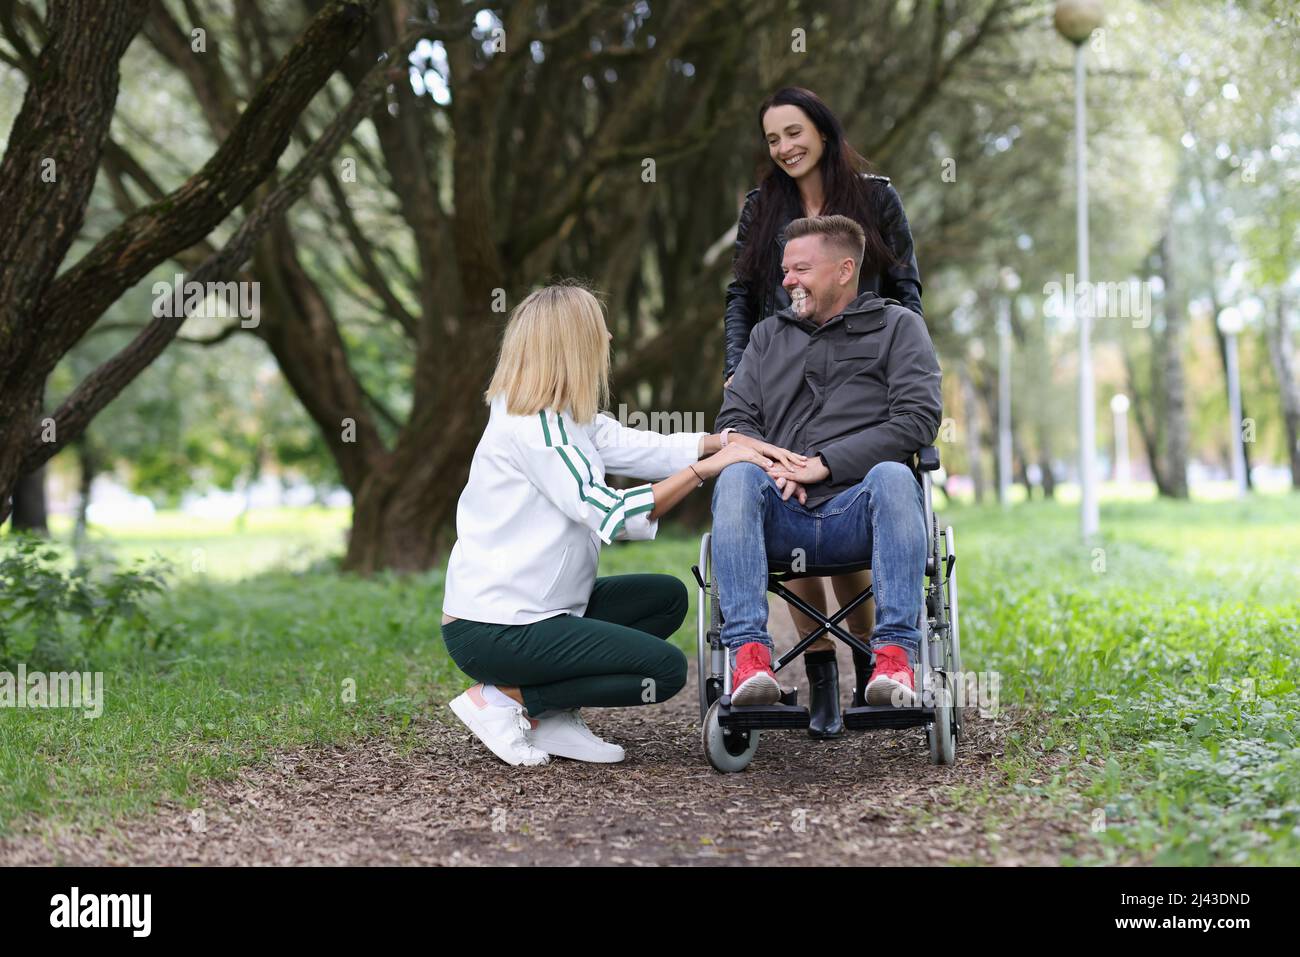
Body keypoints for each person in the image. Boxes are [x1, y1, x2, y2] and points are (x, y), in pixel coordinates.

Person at [441, 282, 805, 766]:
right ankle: (506, 699)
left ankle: (552, 717)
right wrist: (704, 471)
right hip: (498, 628)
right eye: (599, 330)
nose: (609, 338)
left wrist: (728, 442)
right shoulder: (536, 430)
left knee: (665, 598)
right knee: (665, 670)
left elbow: (639, 447)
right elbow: (611, 515)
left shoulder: (566, 416)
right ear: (572, 343)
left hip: (544, 611)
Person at [721, 86, 926, 738]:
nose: (784, 147)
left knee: (864, 491)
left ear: (823, 130)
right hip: (780, 377)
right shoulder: (763, 209)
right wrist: (739, 371)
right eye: (773, 137)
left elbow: (905, 286)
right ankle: (816, 671)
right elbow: (742, 297)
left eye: (793, 132)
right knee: (770, 487)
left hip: (860, 382)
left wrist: (902, 354)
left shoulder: (875, 198)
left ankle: (875, 659)